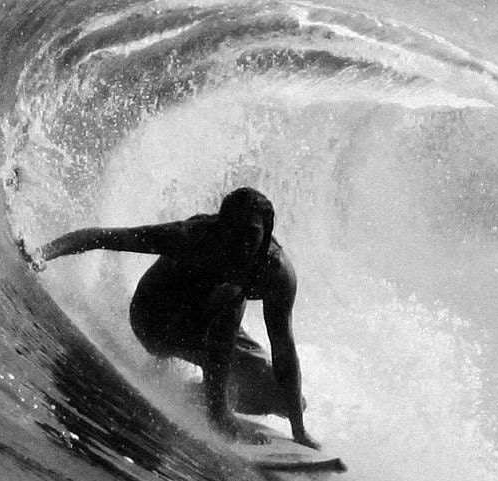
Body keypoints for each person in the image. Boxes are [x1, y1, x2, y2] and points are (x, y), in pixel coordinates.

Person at [31, 187, 314, 448]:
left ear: (267, 231)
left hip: (210, 322)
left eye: (251, 233)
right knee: (230, 307)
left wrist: (298, 430)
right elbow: (103, 237)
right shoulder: (192, 237)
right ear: (220, 224)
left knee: (289, 401)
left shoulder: (277, 274)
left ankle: (190, 395)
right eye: (234, 231)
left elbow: (283, 349)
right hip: (154, 318)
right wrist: (41, 254)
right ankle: (218, 413)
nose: (242, 243)